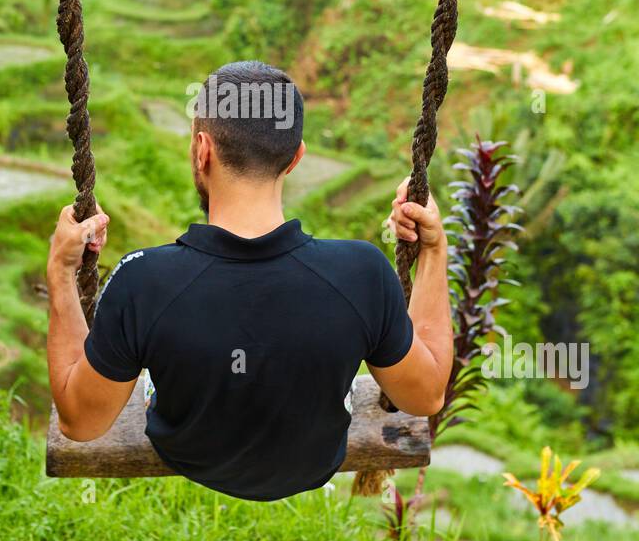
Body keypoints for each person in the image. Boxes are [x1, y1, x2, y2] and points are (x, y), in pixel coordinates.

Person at [46, 60, 451, 501]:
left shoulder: (142, 280)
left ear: (202, 150)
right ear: (296, 157)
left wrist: (61, 272)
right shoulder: (362, 273)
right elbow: (426, 397)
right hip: (313, 462)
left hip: (188, 452)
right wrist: (433, 250)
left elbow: (79, 423)